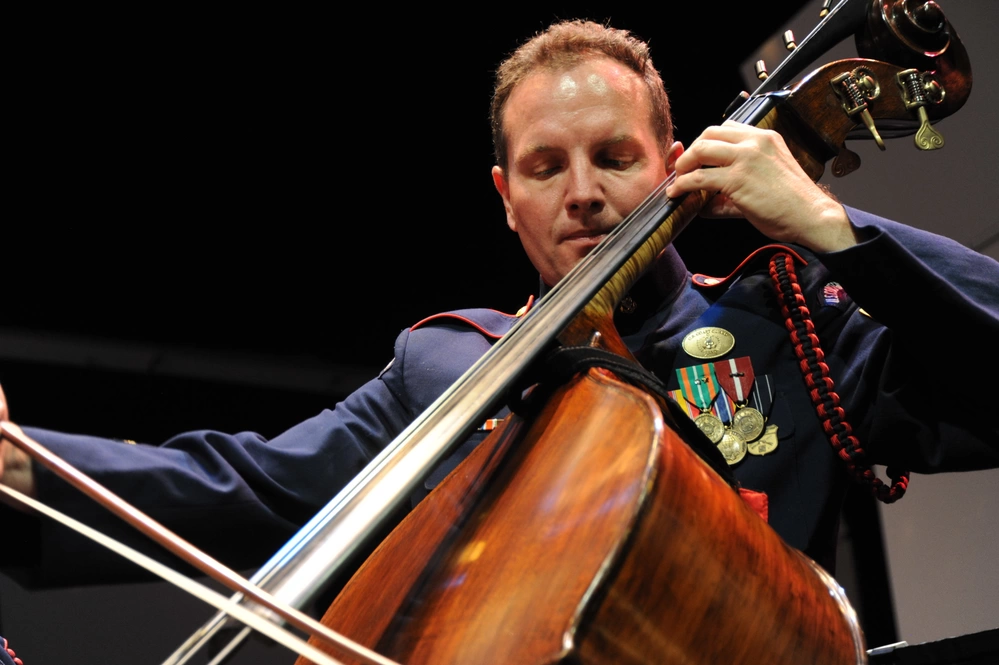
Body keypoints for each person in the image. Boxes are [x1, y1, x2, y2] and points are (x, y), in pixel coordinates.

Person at [1, 16, 997, 654]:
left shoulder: (786, 321)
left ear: (673, 164)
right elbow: (251, 484)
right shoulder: (448, 364)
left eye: (614, 157)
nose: (583, 194)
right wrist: (23, 466)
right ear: (503, 195)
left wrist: (835, 231)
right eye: (543, 165)